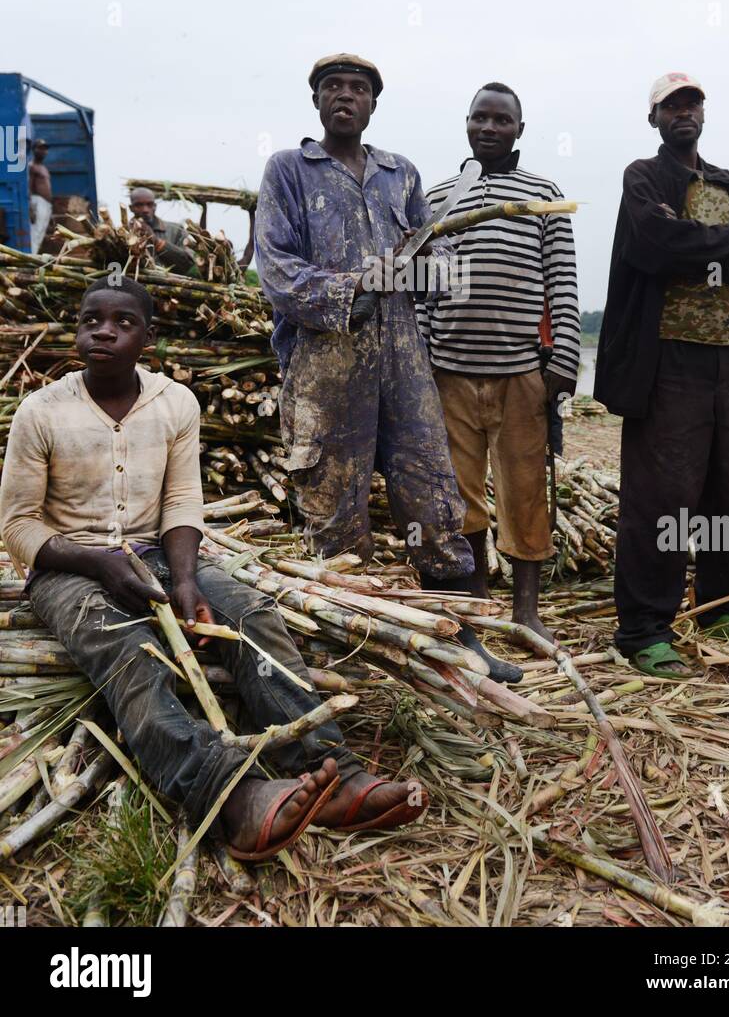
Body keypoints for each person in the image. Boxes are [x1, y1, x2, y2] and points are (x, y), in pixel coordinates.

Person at [0, 278, 425, 858]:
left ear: (148, 338)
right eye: (90, 320)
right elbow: (19, 527)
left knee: (252, 613)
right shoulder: (41, 411)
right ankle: (229, 796)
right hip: (65, 567)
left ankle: (334, 772)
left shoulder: (175, 403)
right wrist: (97, 564)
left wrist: (185, 579)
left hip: (152, 554)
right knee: (127, 648)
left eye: (122, 323)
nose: (103, 330)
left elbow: (180, 504)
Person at [255, 52, 522, 682]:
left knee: (432, 493)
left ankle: (461, 637)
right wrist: (354, 288)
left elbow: (442, 260)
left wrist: (420, 268)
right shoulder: (289, 170)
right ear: (316, 100)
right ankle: (337, 650)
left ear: (374, 104)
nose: (345, 97)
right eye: (332, 88)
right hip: (325, 365)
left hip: (405, 362)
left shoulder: (400, 174)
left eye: (358, 89)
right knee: (333, 508)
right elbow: (277, 268)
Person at [594, 72, 729, 679]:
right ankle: (644, 628)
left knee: (728, 488)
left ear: (704, 113)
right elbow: (654, 243)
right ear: (654, 119)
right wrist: (728, 239)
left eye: (691, 103)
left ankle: (722, 607)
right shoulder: (643, 177)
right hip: (665, 357)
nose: (683, 113)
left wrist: (702, 243)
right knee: (661, 496)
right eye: (670, 106)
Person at [417, 83, 580, 642]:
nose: (489, 128)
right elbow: (423, 289)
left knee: (524, 490)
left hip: (521, 373)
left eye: (501, 120)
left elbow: (562, 282)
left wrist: (564, 359)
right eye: (479, 118)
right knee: (460, 491)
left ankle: (525, 610)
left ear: (519, 129)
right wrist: (420, 364)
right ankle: (478, 594)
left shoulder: (544, 195)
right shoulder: (439, 196)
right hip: (449, 371)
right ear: (465, 123)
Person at [129, 187, 197, 274]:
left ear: (155, 206)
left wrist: (156, 241)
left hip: (172, 285)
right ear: (131, 208)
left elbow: (189, 265)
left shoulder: (176, 230)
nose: (145, 210)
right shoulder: (122, 233)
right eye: (139, 205)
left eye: (149, 204)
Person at [28, 138, 52, 254]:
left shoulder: (43, 168)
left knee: (41, 232)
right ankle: (31, 257)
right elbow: (29, 186)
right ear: (34, 150)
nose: (43, 151)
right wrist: (31, 207)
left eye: (45, 149)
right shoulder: (32, 166)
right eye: (40, 148)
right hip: (37, 201)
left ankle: (34, 256)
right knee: (35, 232)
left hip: (46, 204)